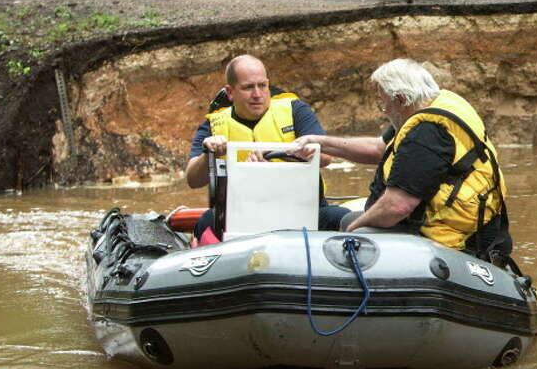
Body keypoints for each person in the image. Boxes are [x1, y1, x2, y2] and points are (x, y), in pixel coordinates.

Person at [292, 58, 513, 264]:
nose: (384, 110)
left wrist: (354, 228)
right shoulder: (437, 103)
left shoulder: (425, 133)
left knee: (359, 233)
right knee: (347, 219)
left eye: (383, 102)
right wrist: (320, 142)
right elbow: (379, 148)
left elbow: (397, 207)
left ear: (399, 99)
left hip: (453, 236)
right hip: (472, 223)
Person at [185, 54, 347, 243]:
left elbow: (326, 157)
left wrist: (283, 153)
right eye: (248, 88)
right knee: (205, 222)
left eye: (262, 86)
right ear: (230, 92)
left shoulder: (295, 110)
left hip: (305, 210)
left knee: (343, 218)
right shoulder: (213, 124)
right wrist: (209, 155)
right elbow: (192, 180)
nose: (257, 94)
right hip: (241, 216)